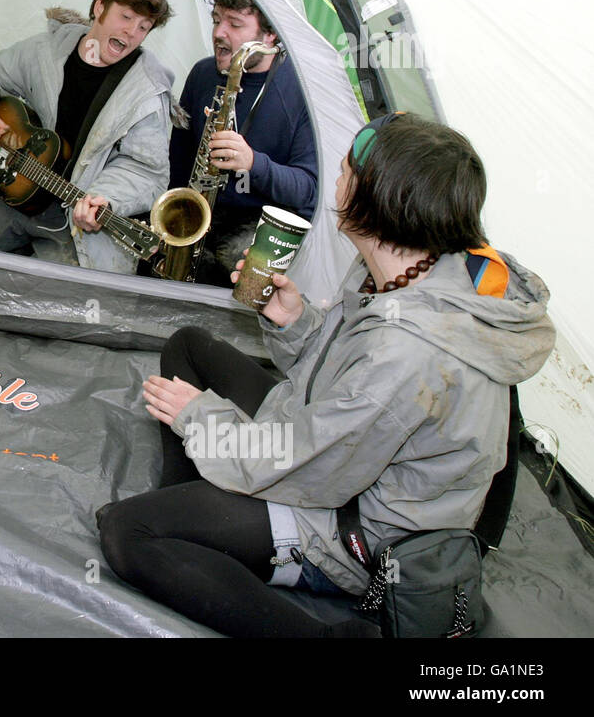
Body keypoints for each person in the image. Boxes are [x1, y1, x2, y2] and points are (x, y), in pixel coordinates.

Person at [97, 113, 554, 637]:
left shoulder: (409, 353)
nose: (335, 183)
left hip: (355, 529)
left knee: (128, 532)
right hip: (332, 446)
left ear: (379, 201)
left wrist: (201, 419)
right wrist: (297, 324)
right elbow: (342, 384)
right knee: (187, 348)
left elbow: (314, 467)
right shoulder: (406, 269)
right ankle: (201, 524)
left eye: (345, 173)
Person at [0, 0, 174, 274]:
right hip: (16, 193)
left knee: (57, 299)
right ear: (99, 7)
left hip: (74, 215)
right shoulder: (45, 50)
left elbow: (146, 170)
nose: (132, 32)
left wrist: (106, 197)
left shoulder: (147, 92)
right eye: (126, 17)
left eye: (143, 27)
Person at [168, 0, 316, 284]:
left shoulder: (305, 93)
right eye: (216, 20)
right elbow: (178, 161)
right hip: (203, 209)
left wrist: (253, 162)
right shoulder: (202, 73)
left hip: (264, 220)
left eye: (234, 24)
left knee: (238, 274)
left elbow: (308, 188)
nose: (219, 33)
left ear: (270, 34)